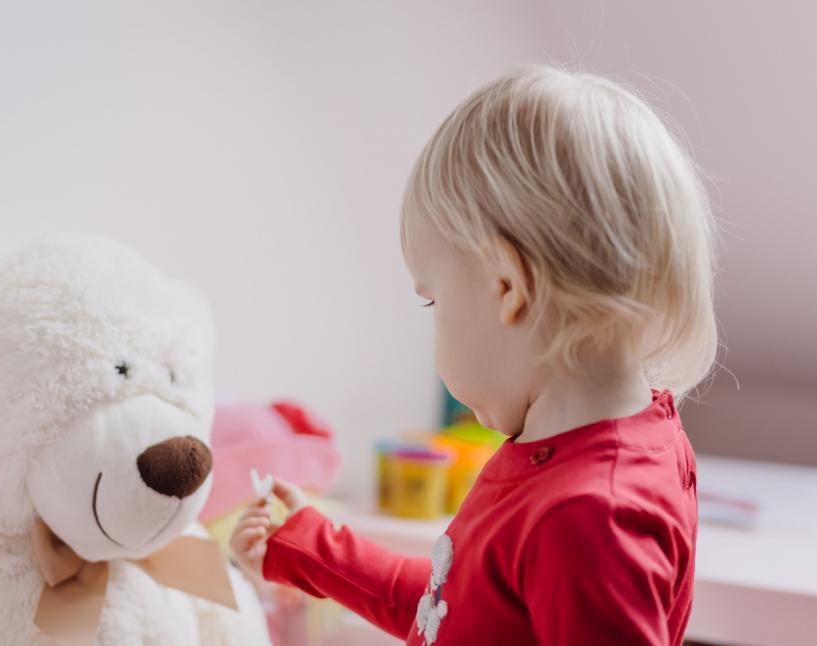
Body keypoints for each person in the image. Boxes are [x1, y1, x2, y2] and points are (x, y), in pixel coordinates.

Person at [231, 64, 717, 645]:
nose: (433, 319)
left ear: (506, 286)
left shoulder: (589, 517)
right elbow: (458, 607)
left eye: (432, 300)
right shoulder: (585, 455)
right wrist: (309, 546)